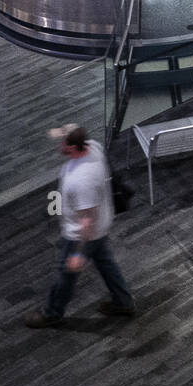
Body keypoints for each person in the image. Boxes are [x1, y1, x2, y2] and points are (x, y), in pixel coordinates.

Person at [25, 124, 135, 328]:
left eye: (64, 142)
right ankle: (123, 302)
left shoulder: (81, 180)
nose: (60, 144)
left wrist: (78, 253)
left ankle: (52, 313)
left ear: (73, 147)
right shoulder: (93, 146)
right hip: (101, 224)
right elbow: (72, 129)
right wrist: (60, 131)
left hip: (82, 234)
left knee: (64, 275)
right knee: (106, 265)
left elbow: (87, 221)